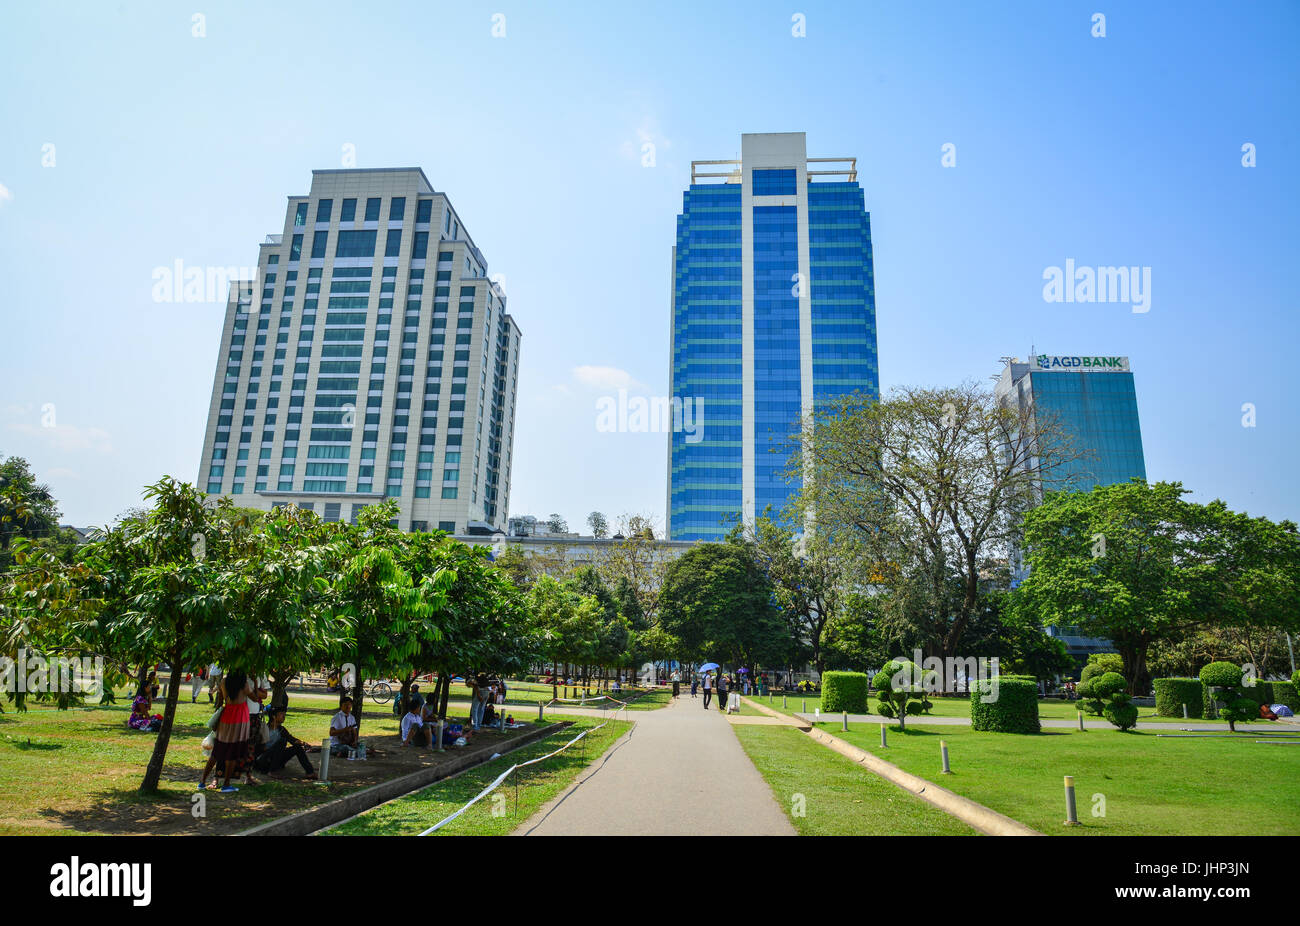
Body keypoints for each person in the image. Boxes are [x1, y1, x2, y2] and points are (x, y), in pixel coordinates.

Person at [200, 670, 252, 792]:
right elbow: (254, 698)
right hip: (239, 720)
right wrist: (254, 681)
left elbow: (220, 700)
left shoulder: (223, 681)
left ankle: (202, 781)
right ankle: (227, 784)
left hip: (226, 717)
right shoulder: (244, 684)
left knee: (217, 752)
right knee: (232, 754)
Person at [253, 706, 317, 778]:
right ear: (274, 716)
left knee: (297, 748)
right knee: (282, 741)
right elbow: (259, 748)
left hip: (275, 760)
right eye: (281, 714)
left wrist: (304, 744)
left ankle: (310, 772)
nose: (284, 716)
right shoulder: (264, 729)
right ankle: (272, 771)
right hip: (263, 761)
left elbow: (292, 740)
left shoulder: (281, 729)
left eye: (284, 714)